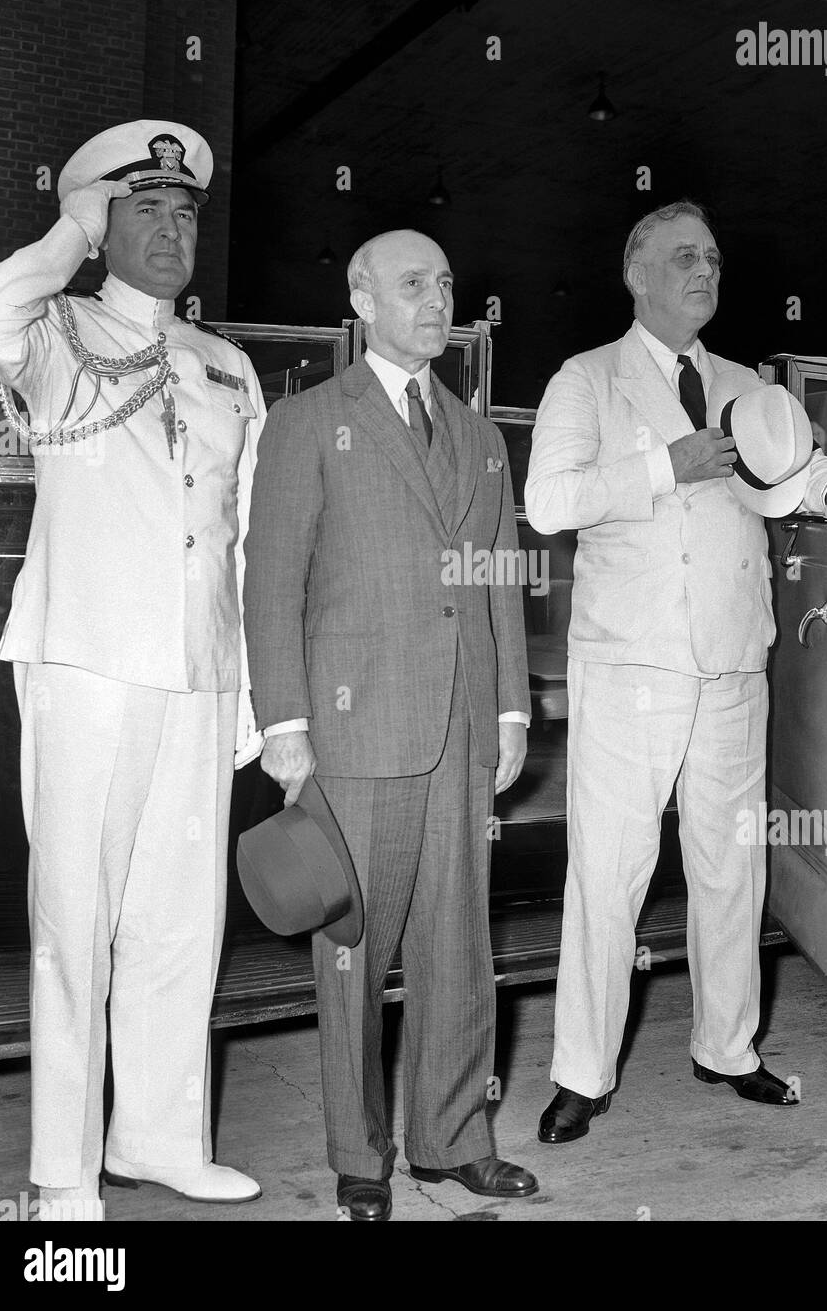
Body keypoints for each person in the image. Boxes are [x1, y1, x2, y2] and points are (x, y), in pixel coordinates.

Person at [525, 200, 827, 1143]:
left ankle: (726, 1047)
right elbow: (547, 504)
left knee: (730, 868)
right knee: (608, 873)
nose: (704, 271)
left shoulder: (747, 382)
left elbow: (806, 473)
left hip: (736, 665)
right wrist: (667, 466)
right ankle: (582, 1071)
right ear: (635, 273)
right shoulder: (587, 379)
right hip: (631, 666)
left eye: (713, 260)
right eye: (683, 257)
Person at [0, 120, 265, 1218]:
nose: (172, 229)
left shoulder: (227, 366)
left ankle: (158, 1138)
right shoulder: (54, 330)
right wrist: (67, 229)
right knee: (74, 920)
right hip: (88, 659)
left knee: (181, 918)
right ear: (102, 224)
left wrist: (251, 693)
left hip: (198, 670)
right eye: (145, 209)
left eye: (185, 211)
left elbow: (238, 534)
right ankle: (61, 1175)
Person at [243, 229, 537, 1221]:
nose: (436, 299)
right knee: (351, 953)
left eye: (447, 282)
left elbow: (498, 581)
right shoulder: (305, 422)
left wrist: (508, 710)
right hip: (349, 728)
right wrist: (282, 721)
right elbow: (271, 581)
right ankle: (359, 1158)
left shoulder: (481, 434)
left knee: (461, 945)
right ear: (361, 299)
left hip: (459, 723)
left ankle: (453, 1142)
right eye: (414, 283)